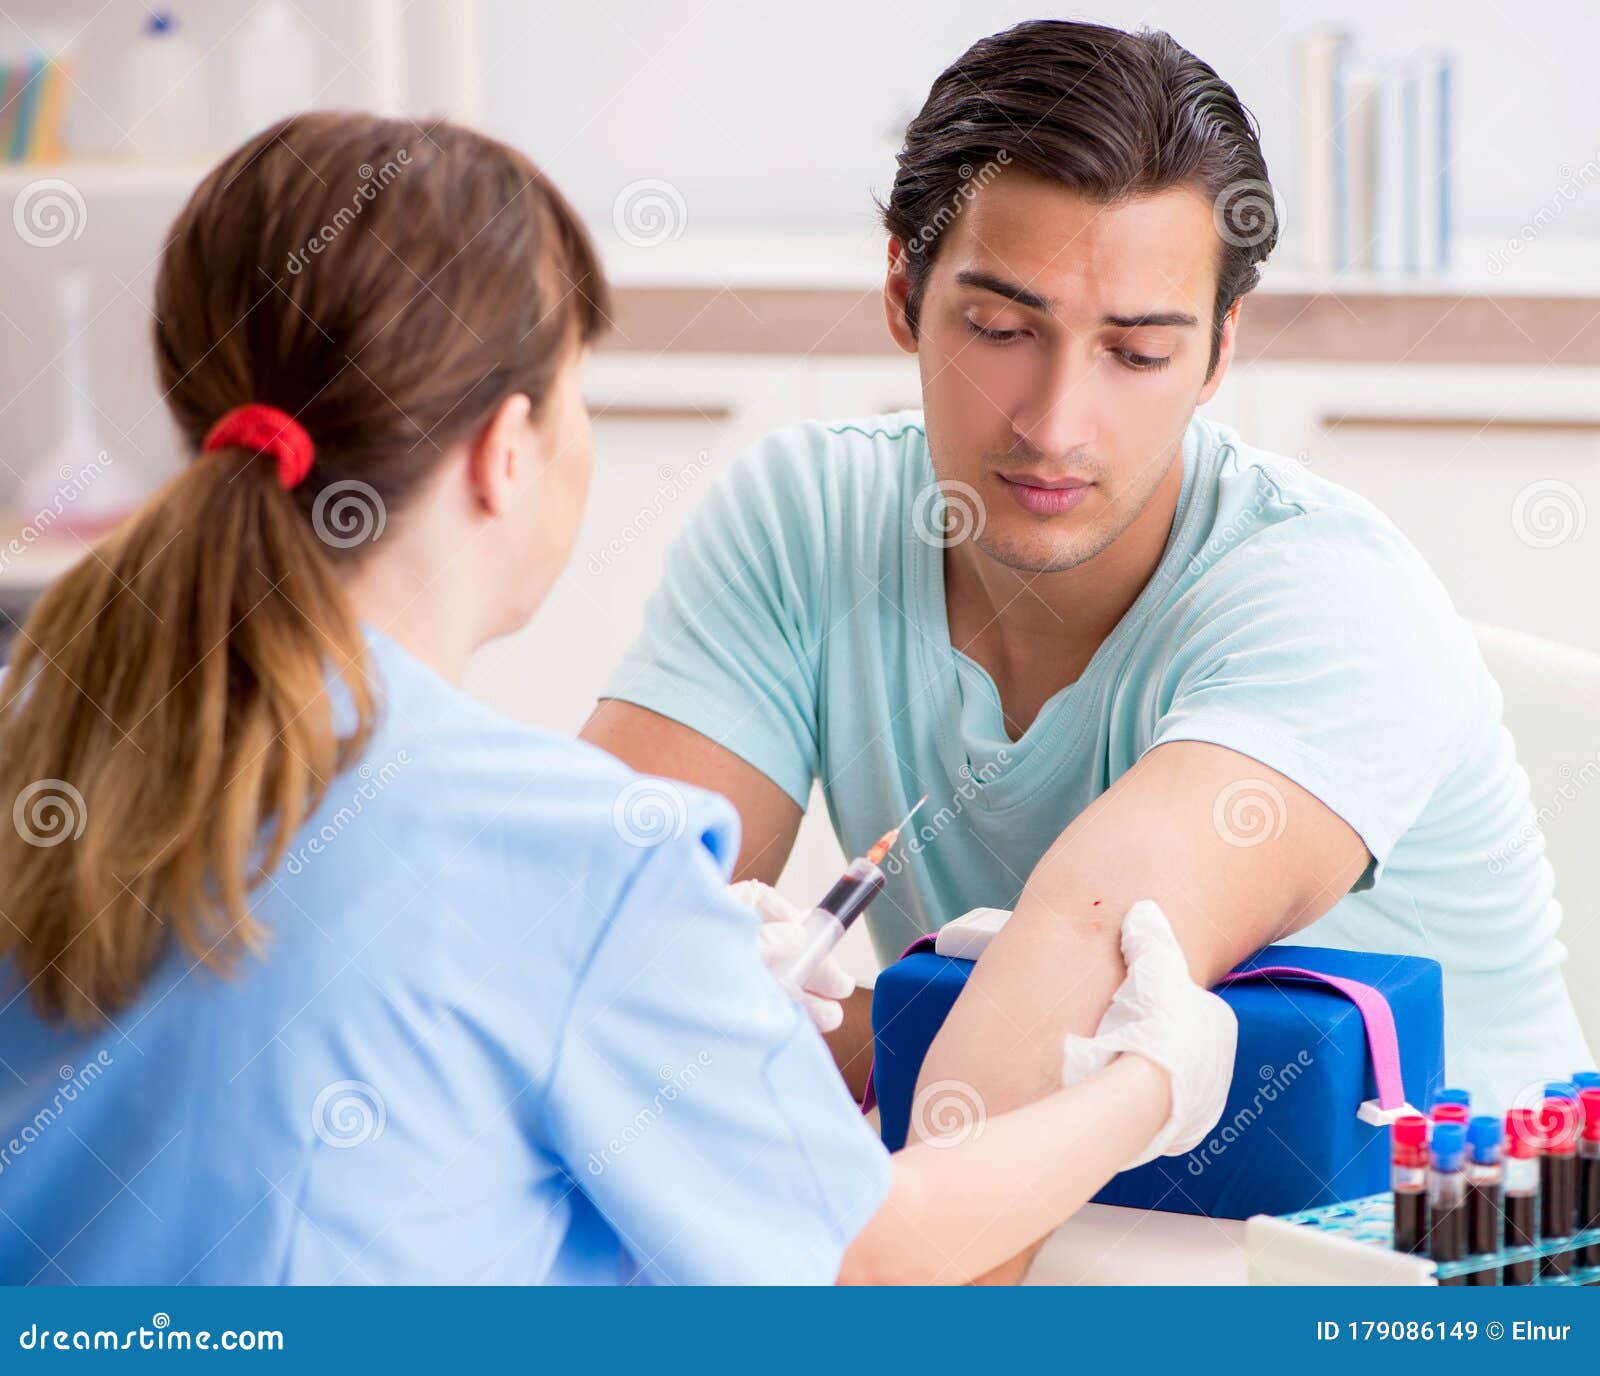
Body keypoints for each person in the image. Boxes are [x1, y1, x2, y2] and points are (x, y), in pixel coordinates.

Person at [0, 112, 1234, 1287]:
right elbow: (861, 1260)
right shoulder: (564, 850)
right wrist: (1142, 1081)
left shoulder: (47, 731)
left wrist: (666, 1002)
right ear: (508, 448)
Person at [582, 19, 1593, 1281]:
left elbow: (988, 1119)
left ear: (1220, 350)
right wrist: (710, 1018)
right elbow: (576, 957)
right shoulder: (802, 521)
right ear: (902, 289)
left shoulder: (1327, 605)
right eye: (1003, 328)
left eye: (1136, 351)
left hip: (1413, 1282)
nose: (1056, 423)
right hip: (1072, 1236)